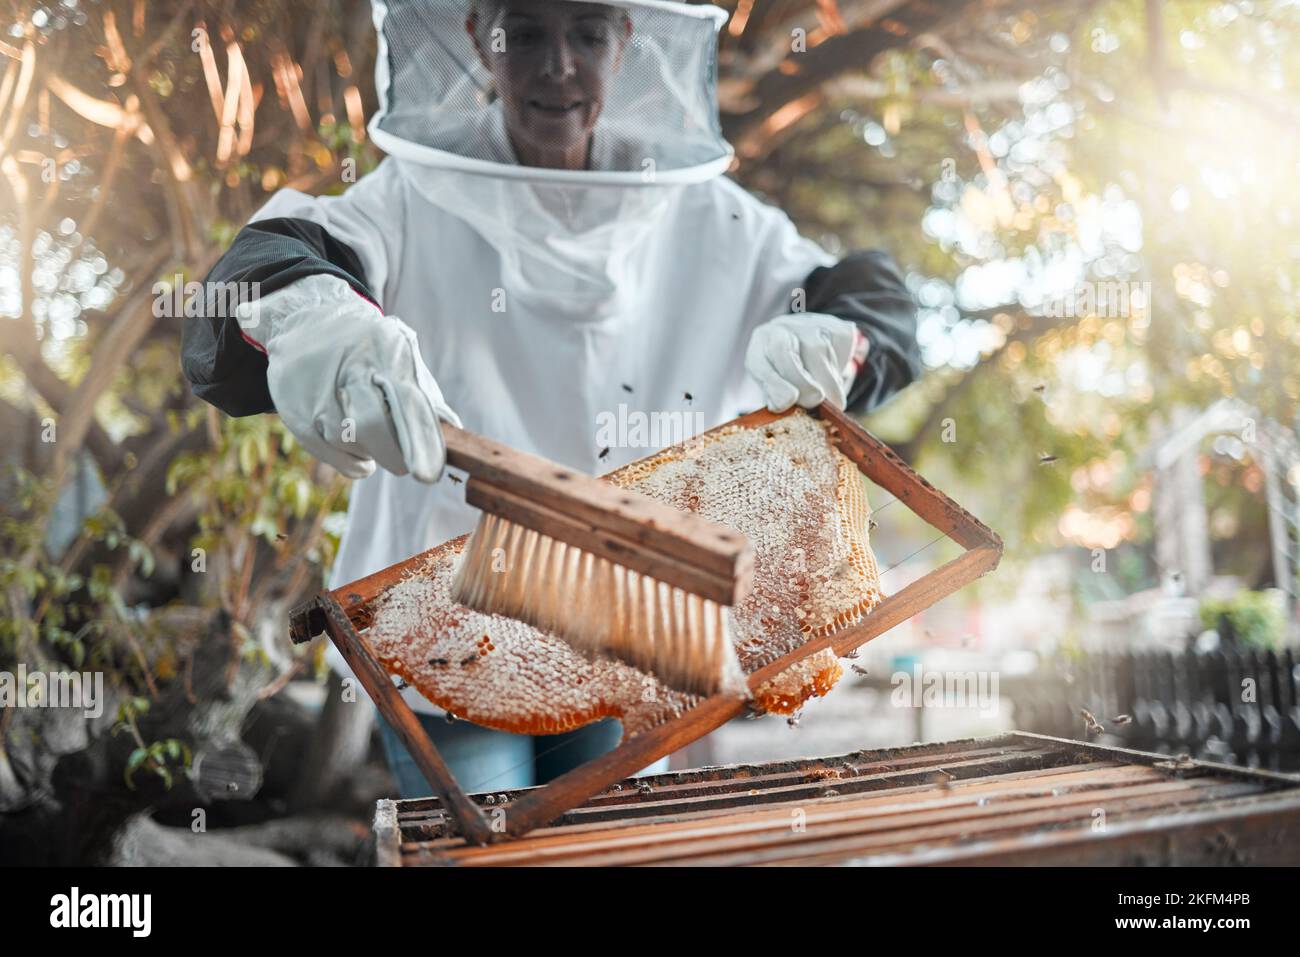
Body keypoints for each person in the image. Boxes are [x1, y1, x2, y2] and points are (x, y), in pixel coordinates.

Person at [182, 0, 922, 799]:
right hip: (448, 615)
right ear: (478, 37)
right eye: (526, 32)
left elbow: (865, 296)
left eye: (588, 32)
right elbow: (268, 265)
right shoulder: (412, 193)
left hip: (635, 619)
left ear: (626, 39)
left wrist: (837, 335)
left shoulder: (706, 211)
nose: (557, 65)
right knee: (489, 837)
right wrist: (314, 315)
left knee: (605, 841)